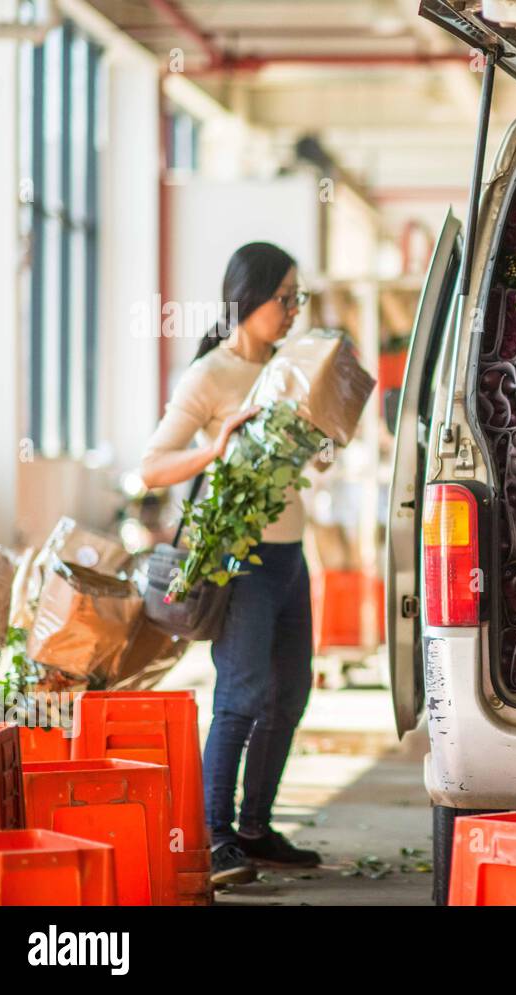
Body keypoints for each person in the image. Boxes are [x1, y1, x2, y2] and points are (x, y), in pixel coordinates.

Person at [140, 242, 322, 886]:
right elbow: (151, 467)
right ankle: (212, 836)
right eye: (285, 298)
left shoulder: (287, 369)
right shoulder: (210, 375)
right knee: (242, 695)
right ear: (249, 299)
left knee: (291, 692)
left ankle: (254, 829)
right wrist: (216, 448)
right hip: (237, 556)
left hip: (289, 554)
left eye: (299, 298)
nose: (294, 310)